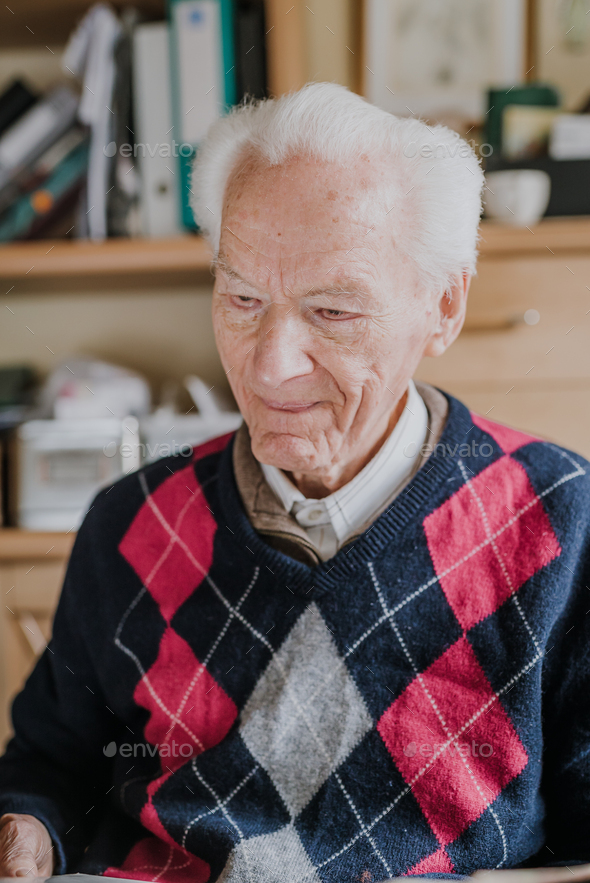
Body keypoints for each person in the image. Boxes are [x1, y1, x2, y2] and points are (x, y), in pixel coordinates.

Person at [0, 83, 589, 883]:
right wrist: (27, 828)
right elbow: (51, 764)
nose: (271, 365)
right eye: (243, 298)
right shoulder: (129, 522)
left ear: (443, 307)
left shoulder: (562, 520)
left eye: (333, 311)